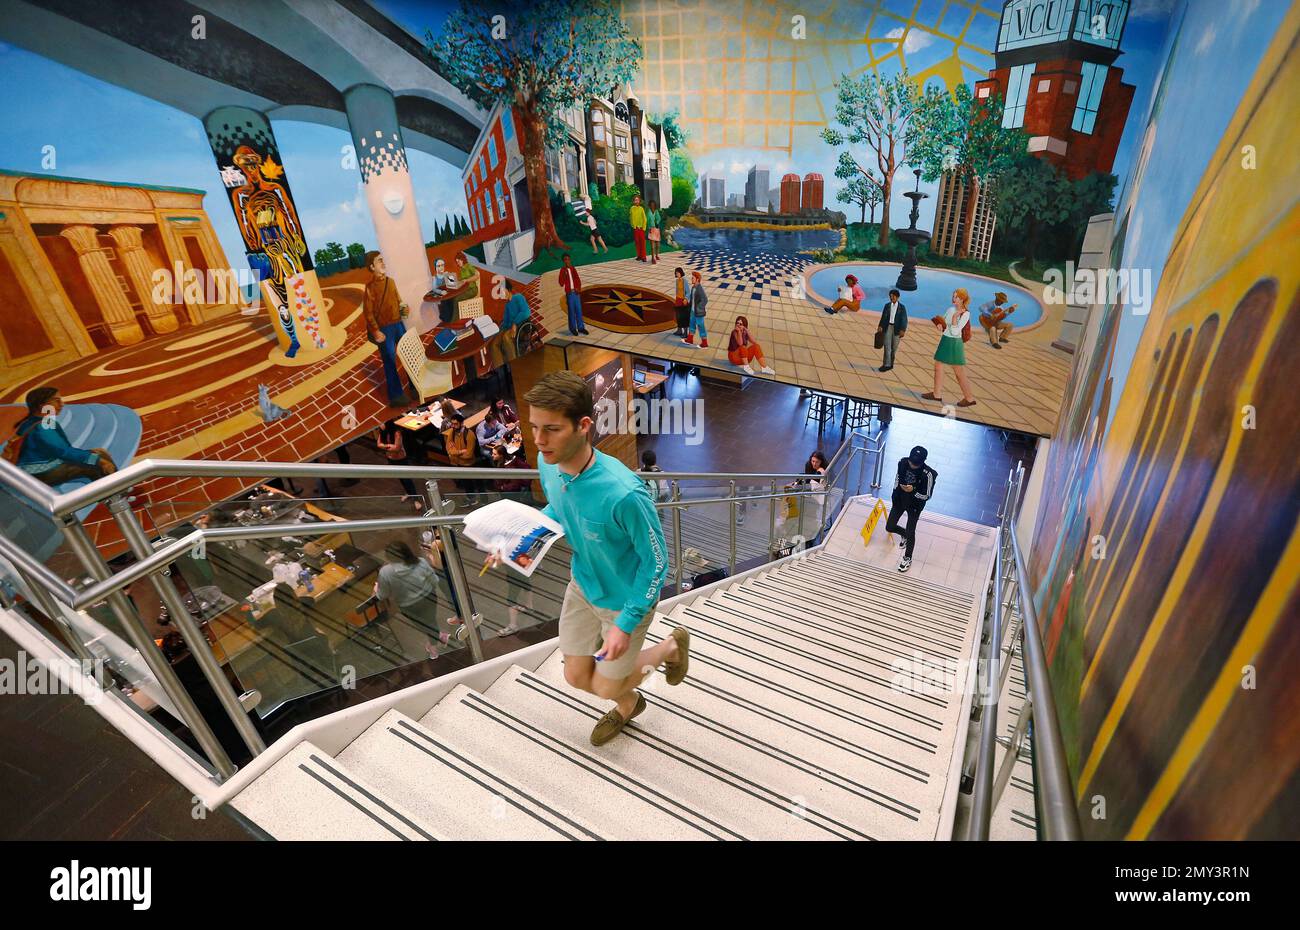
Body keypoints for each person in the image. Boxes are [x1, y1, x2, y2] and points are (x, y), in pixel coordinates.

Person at [487, 371, 686, 747]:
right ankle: (631, 704)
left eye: (551, 429)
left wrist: (625, 624)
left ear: (583, 426)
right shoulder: (549, 464)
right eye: (534, 428)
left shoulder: (625, 493)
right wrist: (520, 537)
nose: (539, 441)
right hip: (583, 585)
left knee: (607, 682)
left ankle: (668, 648)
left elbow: (657, 564)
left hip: (625, 600)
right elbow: (562, 508)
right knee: (577, 677)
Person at [8, 387, 115, 485]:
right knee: (94, 467)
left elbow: (62, 450)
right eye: (56, 400)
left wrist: (93, 454)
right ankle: (114, 494)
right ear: (43, 406)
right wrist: (98, 460)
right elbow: (63, 452)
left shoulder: (30, 422)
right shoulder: (44, 427)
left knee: (99, 453)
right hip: (41, 472)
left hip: (35, 467)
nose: (62, 404)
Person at [375, 541, 462, 659]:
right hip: (429, 597)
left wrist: (376, 589)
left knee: (424, 625)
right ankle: (439, 636)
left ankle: (434, 647)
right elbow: (435, 581)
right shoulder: (421, 562)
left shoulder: (385, 572)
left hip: (408, 606)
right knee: (430, 620)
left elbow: (382, 595)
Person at [362, 250, 414, 407]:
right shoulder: (370, 288)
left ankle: (415, 387)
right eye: (379, 261)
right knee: (390, 361)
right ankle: (396, 396)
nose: (383, 263)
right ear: (372, 266)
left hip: (398, 324)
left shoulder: (391, 282)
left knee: (409, 354)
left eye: (383, 260)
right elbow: (368, 312)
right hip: (384, 330)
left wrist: (404, 309)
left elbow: (399, 301)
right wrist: (376, 331)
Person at [885, 445, 937, 573]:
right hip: (899, 500)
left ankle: (907, 557)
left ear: (923, 461)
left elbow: (927, 495)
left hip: (915, 505)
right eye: (911, 462)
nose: (913, 465)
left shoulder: (929, 474)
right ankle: (904, 534)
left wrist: (913, 490)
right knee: (889, 527)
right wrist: (895, 495)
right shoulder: (903, 462)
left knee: (911, 531)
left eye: (916, 464)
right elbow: (897, 479)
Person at [922, 287, 977, 407]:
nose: (953, 298)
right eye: (953, 296)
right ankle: (937, 394)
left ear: (962, 299)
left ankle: (969, 398)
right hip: (946, 340)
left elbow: (956, 332)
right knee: (938, 365)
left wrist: (954, 319)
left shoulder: (965, 314)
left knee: (959, 371)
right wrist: (939, 325)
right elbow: (943, 322)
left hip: (954, 343)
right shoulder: (951, 309)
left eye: (956, 297)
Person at [376, 421, 423, 509]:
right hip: (391, 459)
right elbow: (378, 444)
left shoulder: (397, 433)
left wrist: (384, 446)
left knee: (407, 479)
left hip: (401, 459)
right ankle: (408, 493)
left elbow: (397, 448)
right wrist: (389, 446)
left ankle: (416, 499)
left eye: (381, 423)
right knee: (400, 478)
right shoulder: (382, 432)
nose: (380, 425)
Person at [442, 413, 482, 504]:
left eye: (455, 424)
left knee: (477, 482)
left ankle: (483, 500)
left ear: (462, 423)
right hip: (459, 464)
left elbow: (468, 455)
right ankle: (471, 499)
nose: (453, 426)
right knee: (467, 483)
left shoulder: (469, 435)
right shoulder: (451, 432)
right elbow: (448, 450)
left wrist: (454, 452)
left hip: (470, 464)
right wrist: (460, 452)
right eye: (452, 424)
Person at [500, 278, 534, 360]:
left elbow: (526, 312)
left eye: (502, 291)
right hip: (511, 329)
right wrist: (498, 330)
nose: (501, 294)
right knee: (494, 344)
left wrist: (514, 323)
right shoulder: (507, 306)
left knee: (505, 337)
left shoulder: (518, 297)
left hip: (522, 327)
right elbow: (505, 322)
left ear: (508, 290)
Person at [877, 288, 908, 372]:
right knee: (887, 346)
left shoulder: (902, 307)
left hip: (897, 329)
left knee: (894, 348)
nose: (891, 298)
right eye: (890, 296)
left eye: (893, 296)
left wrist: (903, 330)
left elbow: (904, 319)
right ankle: (886, 364)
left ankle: (891, 364)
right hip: (887, 327)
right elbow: (883, 317)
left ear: (897, 297)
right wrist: (880, 326)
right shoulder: (887, 306)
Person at [557, 253, 587, 336]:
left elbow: (577, 279)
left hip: (576, 293)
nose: (567, 261)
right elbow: (561, 283)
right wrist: (564, 274)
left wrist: (578, 289)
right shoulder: (562, 270)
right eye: (565, 259)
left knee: (578, 310)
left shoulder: (573, 269)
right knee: (571, 311)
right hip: (570, 294)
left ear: (570, 260)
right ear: (563, 261)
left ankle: (581, 328)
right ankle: (573, 328)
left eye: (568, 259)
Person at [683, 270, 708, 348]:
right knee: (692, 324)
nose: (691, 279)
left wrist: (698, 307)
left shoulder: (699, 289)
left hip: (698, 312)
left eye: (693, 278)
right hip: (693, 311)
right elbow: (693, 299)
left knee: (701, 326)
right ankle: (690, 339)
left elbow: (705, 300)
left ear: (697, 279)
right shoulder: (693, 287)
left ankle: (704, 343)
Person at [672, 267, 690, 338]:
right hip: (678, 300)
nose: (677, 274)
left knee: (684, 317)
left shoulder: (684, 281)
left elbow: (688, 291)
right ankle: (679, 330)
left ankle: (685, 332)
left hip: (683, 301)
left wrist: (686, 299)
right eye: (676, 273)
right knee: (678, 316)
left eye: (678, 272)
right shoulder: (677, 281)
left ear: (681, 273)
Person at [629, 193, 648, 262]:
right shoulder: (632, 208)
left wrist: (643, 227)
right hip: (635, 228)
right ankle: (639, 256)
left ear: (639, 201)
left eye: (637, 200)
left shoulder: (641, 209)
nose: (636, 201)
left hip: (641, 228)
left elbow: (644, 219)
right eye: (635, 200)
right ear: (633, 201)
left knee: (642, 242)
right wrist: (633, 226)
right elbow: (631, 218)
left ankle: (644, 257)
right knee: (637, 242)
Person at [646, 199, 662, 264]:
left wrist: (657, 222)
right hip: (651, 229)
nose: (652, 206)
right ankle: (653, 258)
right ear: (649, 205)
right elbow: (646, 220)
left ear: (655, 205)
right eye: (651, 205)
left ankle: (657, 255)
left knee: (657, 244)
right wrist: (649, 227)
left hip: (657, 229)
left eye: (653, 205)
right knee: (652, 246)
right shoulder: (648, 212)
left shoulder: (656, 211)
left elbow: (659, 218)